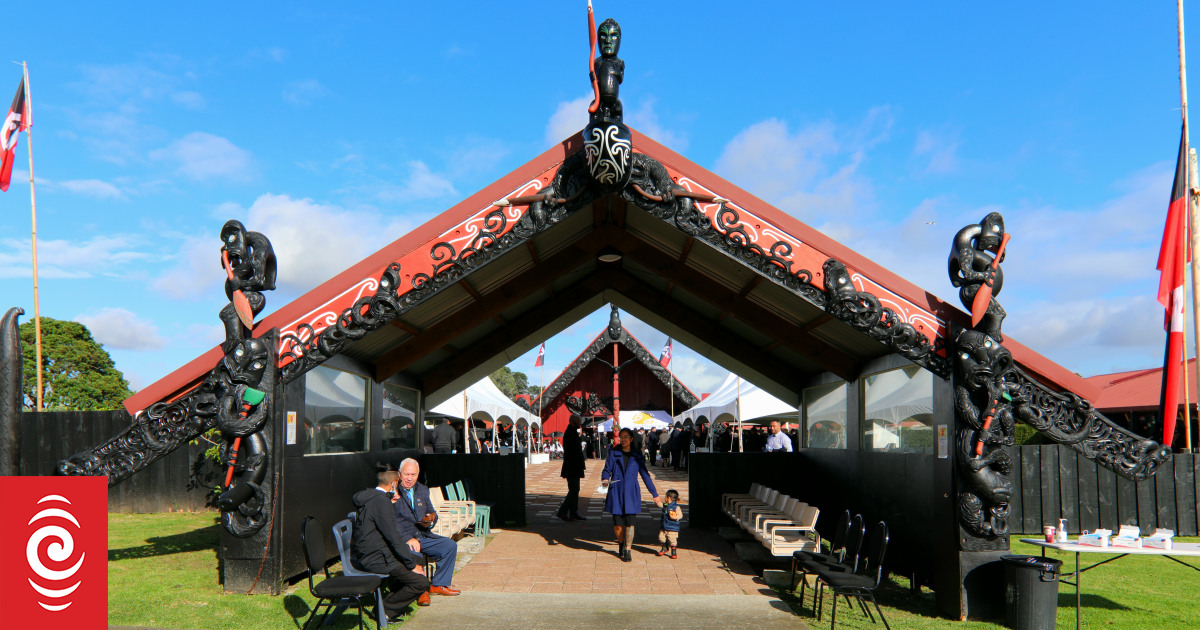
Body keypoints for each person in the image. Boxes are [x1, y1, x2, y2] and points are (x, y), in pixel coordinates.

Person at [351, 463, 431, 620]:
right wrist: (411, 565)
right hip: (376, 557)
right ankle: (384, 611)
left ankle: (388, 602)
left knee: (417, 558)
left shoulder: (373, 496)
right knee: (421, 582)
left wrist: (389, 500)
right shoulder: (381, 503)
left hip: (373, 552)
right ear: (394, 483)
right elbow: (393, 537)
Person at [393, 458, 461, 597]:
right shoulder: (393, 491)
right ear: (399, 474)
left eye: (413, 475)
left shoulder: (422, 489)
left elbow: (431, 511)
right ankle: (420, 589)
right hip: (403, 537)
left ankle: (438, 584)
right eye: (407, 474)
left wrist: (430, 520)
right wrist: (408, 538)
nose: (410, 478)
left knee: (449, 546)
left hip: (423, 534)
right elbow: (390, 520)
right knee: (414, 553)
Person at [601, 428, 662, 562]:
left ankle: (628, 549)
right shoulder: (614, 453)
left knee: (630, 522)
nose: (623, 439)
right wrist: (605, 479)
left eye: (626, 437)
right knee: (617, 523)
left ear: (631, 439)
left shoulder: (637, 455)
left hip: (631, 492)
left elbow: (645, 475)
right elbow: (607, 470)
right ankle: (621, 543)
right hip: (616, 491)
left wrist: (654, 493)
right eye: (621, 437)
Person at [556, 414, 587, 521]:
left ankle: (573, 512)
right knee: (574, 489)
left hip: (574, 466)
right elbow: (573, 452)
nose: (580, 424)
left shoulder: (572, 432)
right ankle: (563, 511)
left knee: (574, 489)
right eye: (579, 422)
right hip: (572, 466)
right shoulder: (570, 433)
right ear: (574, 422)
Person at [656, 489, 683, 559]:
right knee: (661, 537)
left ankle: (673, 552)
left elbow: (680, 515)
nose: (664, 498)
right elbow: (661, 505)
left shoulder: (676, 507)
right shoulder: (665, 505)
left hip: (672, 527)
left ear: (668, 498)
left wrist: (675, 517)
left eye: (665, 496)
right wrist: (657, 502)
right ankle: (664, 548)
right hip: (664, 526)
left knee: (672, 540)